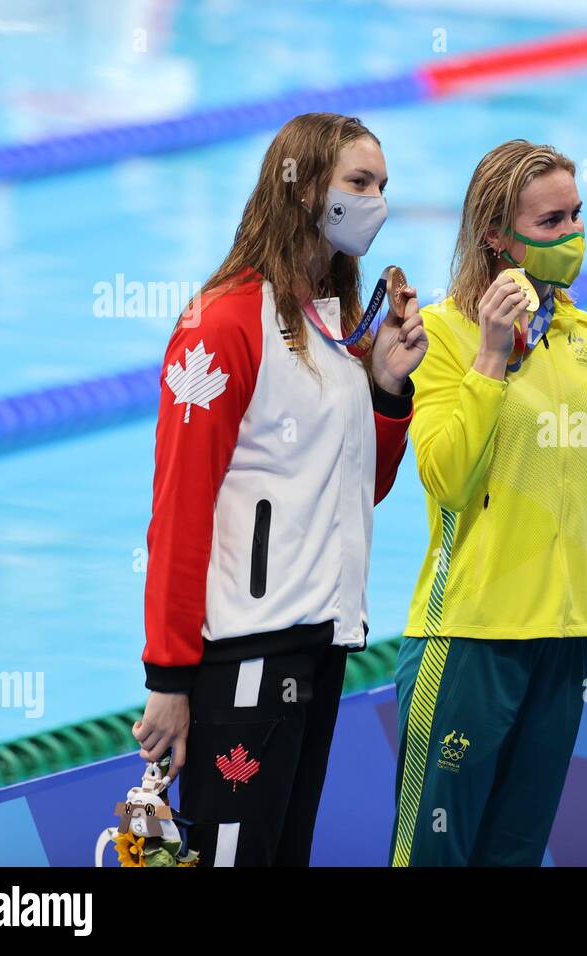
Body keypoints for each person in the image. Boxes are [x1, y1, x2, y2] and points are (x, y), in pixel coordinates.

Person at [133, 112, 427, 866]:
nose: (378, 202)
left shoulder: (327, 324)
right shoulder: (224, 322)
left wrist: (390, 390)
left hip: (320, 643)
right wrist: (168, 675)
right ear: (301, 190)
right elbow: (179, 506)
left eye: (383, 185)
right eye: (358, 183)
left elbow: (354, 494)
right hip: (246, 653)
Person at [389, 139, 587, 867]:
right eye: (550, 223)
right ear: (496, 237)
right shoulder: (441, 333)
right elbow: (444, 477)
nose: (571, 236)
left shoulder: (586, 339)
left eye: (576, 216)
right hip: (469, 640)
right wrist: (491, 357)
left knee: (513, 857)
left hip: (560, 650)